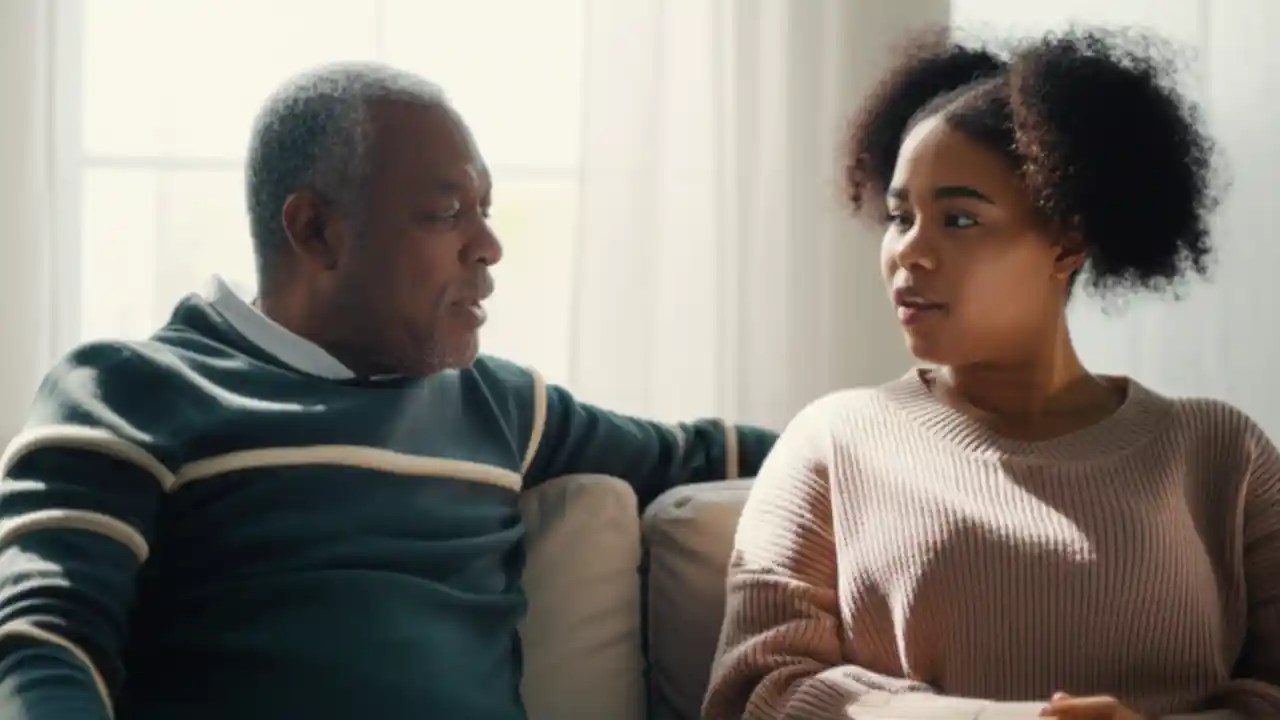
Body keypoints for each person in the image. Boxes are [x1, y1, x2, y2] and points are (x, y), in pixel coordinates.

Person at [0, 63, 777, 719]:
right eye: (447, 213)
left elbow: (705, 453)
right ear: (316, 231)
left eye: (486, 209)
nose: (489, 246)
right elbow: (44, 644)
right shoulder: (125, 393)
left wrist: (892, 423)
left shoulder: (499, 407)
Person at [703, 30, 1279, 720]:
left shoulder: (1220, 452)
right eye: (900, 217)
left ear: (1066, 240)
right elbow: (758, 692)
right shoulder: (833, 441)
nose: (908, 252)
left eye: (959, 218)